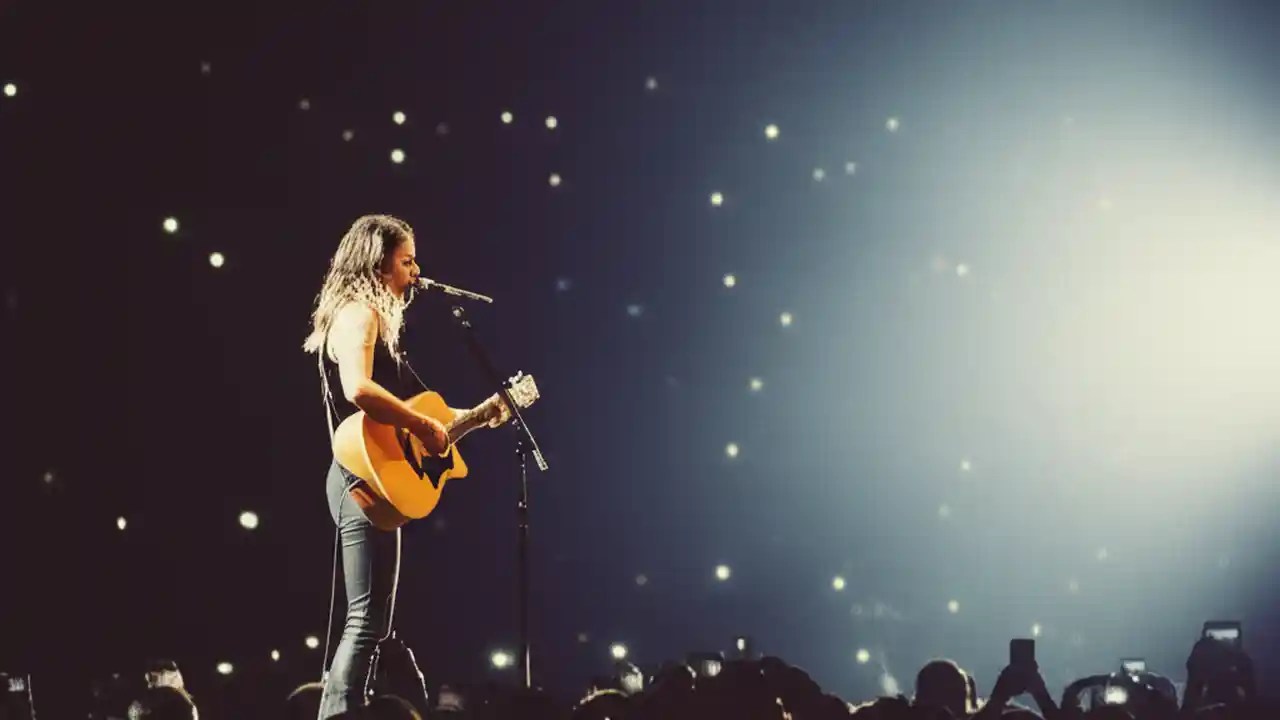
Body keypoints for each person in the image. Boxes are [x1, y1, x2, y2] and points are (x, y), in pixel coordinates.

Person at [303, 214, 511, 718]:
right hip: (360, 476)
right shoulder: (360, 315)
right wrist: (422, 428)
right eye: (407, 260)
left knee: (374, 622)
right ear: (379, 263)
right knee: (367, 621)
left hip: (368, 473)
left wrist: (479, 416)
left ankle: (354, 707)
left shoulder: (368, 321)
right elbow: (358, 389)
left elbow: (423, 422)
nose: (416, 271)